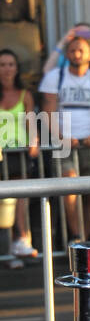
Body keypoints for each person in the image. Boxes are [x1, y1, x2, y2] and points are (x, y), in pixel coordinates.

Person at [38, 34, 90, 240]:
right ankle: (76, 234)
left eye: (81, 50)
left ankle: (86, 237)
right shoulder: (55, 77)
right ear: (67, 54)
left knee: (89, 192)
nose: (76, 54)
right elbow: (48, 110)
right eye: (72, 50)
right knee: (69, 186)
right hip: (64, 142)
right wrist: (60, 136)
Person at [0, 47, 40, 264]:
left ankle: (21, 240)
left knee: (20, 199)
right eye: (2, 64)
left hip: (17, 152)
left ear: (16, 68)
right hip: (0, 153)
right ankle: (6, 249)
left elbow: (30, 121)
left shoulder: (25, 95)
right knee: (3, 202)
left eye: (10, 64)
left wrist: (33, 140)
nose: (6, 69)